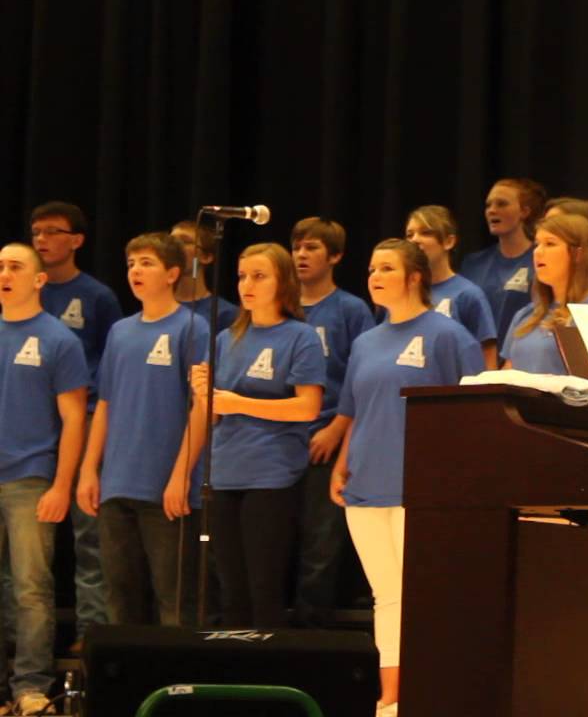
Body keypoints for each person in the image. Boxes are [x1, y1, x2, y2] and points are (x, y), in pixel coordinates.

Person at [332, 238, 485, 717]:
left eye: (387, 268)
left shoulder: (447, 336)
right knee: (387, 596)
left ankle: (431, 690)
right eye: (372, 267)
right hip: (365, 483)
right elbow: (354, 411)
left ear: (415, 277)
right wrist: (340, 463)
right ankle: (391, 696)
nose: (374, 275)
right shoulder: (364, 342)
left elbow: (473, 411)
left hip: (420, 485)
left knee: (423, 593)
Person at [190, 243, 325, 628]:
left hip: (270, 475)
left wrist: (239, 402)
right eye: (242, 275)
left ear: (282, 282)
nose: (247, 284)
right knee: (230, 589)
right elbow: (216, 414)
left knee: (263, 587)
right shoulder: (224, 339)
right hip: (225, 472)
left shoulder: (301, 337)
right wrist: (204, 393)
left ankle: (268, 678)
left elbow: (307, 408)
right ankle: (234, 676)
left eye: (259, 276)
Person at [76, 232, 207, 629]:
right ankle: (129, 689)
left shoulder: (193, 328)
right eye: (131, 263)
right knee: (121, 597)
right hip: (118, 484)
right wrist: (88, 470)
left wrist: (181, 474)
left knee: (173, 600)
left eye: (146, 263)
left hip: (166, 487)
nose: (135, 270)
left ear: (172, 273)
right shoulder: (120, 331)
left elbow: (203, 408)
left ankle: (177, 687)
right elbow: (106, 405)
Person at [0, 242, 89, 716]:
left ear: (39, 280)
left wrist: (62, 484)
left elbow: (75, 418)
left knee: (31, 587)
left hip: (31, 478)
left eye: (15, 266)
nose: (4, 274)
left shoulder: (58, 339)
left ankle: (30, 686)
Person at [29, 201, 118, 652]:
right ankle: (20, 640)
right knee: (28, 544)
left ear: (76, 240)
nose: (42, 239)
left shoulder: (97, 296)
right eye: (36, 232)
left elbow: (111, 361)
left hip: (80, 424)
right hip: (31, 429)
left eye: (52, 231)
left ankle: (90, 635)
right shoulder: (26, 292)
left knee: (88, 537)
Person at [289, 217, 375, 626]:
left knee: (319, 551)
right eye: (298, 248)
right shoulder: (282, 307)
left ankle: (310, 635)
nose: (301, 256)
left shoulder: (351, 310)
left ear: (336, 256)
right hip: (278, 442)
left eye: (312, 249)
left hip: (326, 439)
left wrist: (337, 431)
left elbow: (362, 379)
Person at [501, 214, 588, 373]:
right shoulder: (526, 315)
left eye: (550, 244)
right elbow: (507, 373)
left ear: (578, 254)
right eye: (537, 244)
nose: (537, 252)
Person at [405, 206, 498, 369]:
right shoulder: (401, 294)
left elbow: (488, 357)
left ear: (449, 241)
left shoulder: (468, 294)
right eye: (409, 234)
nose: (415, 239)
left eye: (425, 232)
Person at [459, 178, 546, 344]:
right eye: (488, 205)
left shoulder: (540, 261)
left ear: (524, 211)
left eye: (501, 204)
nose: (492, 210)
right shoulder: (473, 263)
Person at [172, 219, 239, 330]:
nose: (174, 248)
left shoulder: (226, 314)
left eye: (185, 242)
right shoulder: (155, 307)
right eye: (171, 242)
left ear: (206, 257)